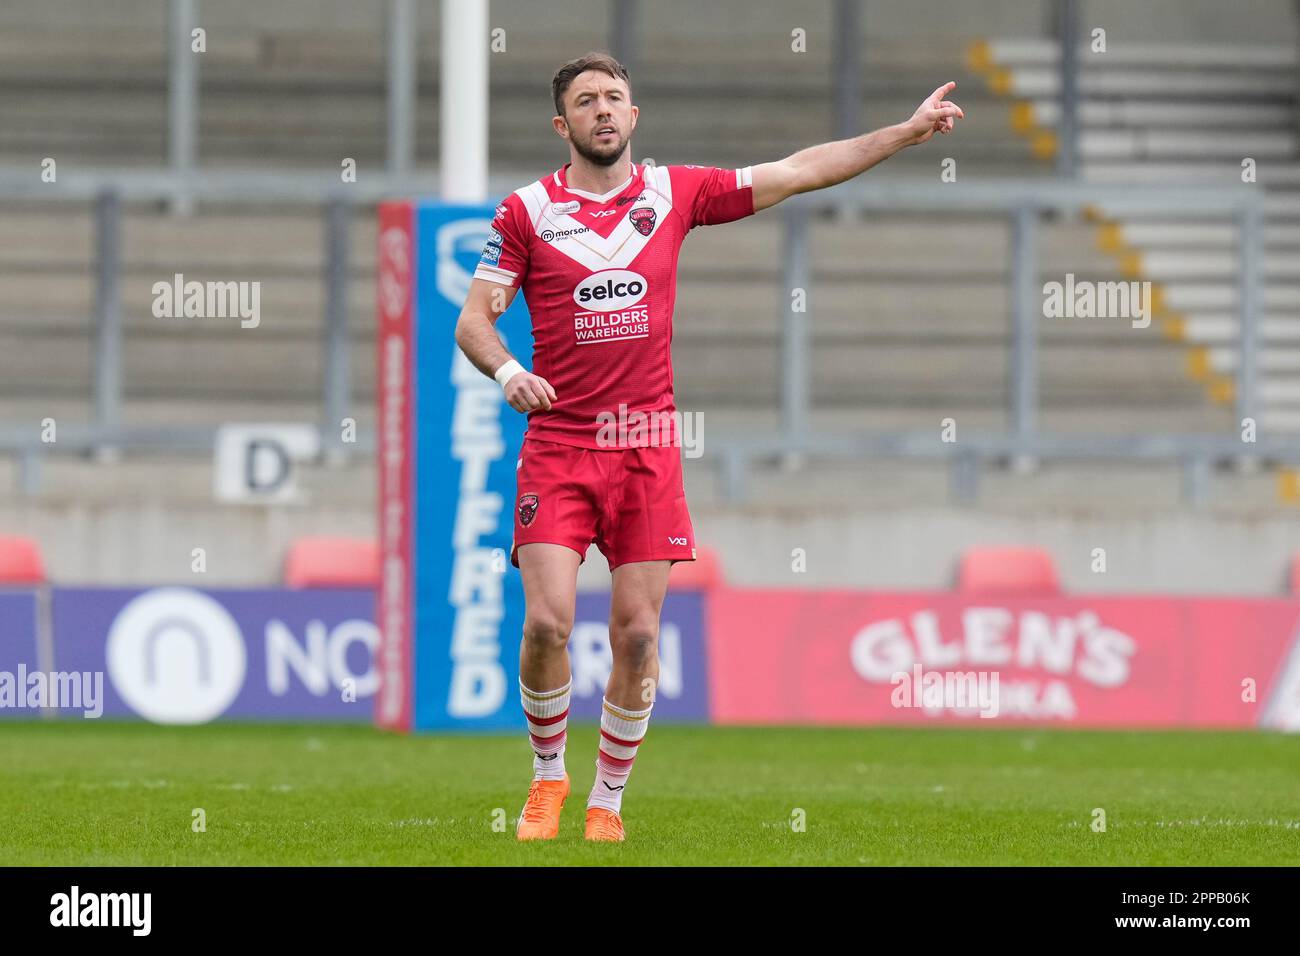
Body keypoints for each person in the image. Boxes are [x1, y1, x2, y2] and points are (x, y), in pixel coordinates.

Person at [454, 51, 963, 842]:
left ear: (634, 115)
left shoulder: (674, 193)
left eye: (614, 98)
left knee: (638, 633)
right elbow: (473, 320)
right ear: (563, 124)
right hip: (559, 443)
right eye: (585, 101)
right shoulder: (525, 213)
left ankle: (607, 803)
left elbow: (799, 170)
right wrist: (510, 371)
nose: (602, 111)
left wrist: (905, 132)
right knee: (549, 623)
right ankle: (548, 779)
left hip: (646, 445)